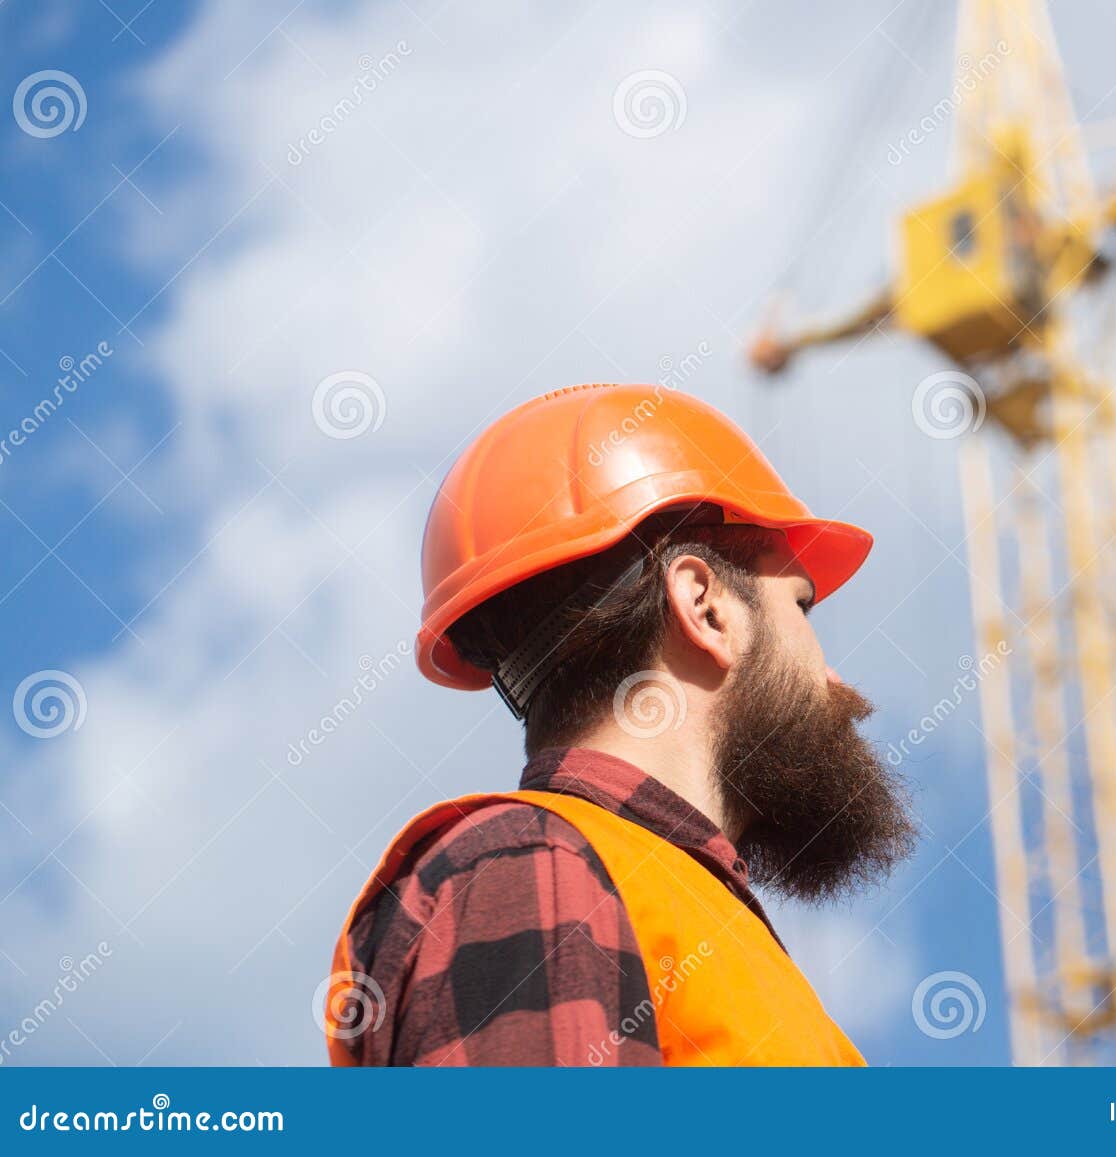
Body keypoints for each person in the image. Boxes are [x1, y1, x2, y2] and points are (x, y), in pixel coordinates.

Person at [324, 383, 917, 1065]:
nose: (837, 680)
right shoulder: (531, 868)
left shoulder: (695, 922)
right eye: (802, 608)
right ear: (707, 608)